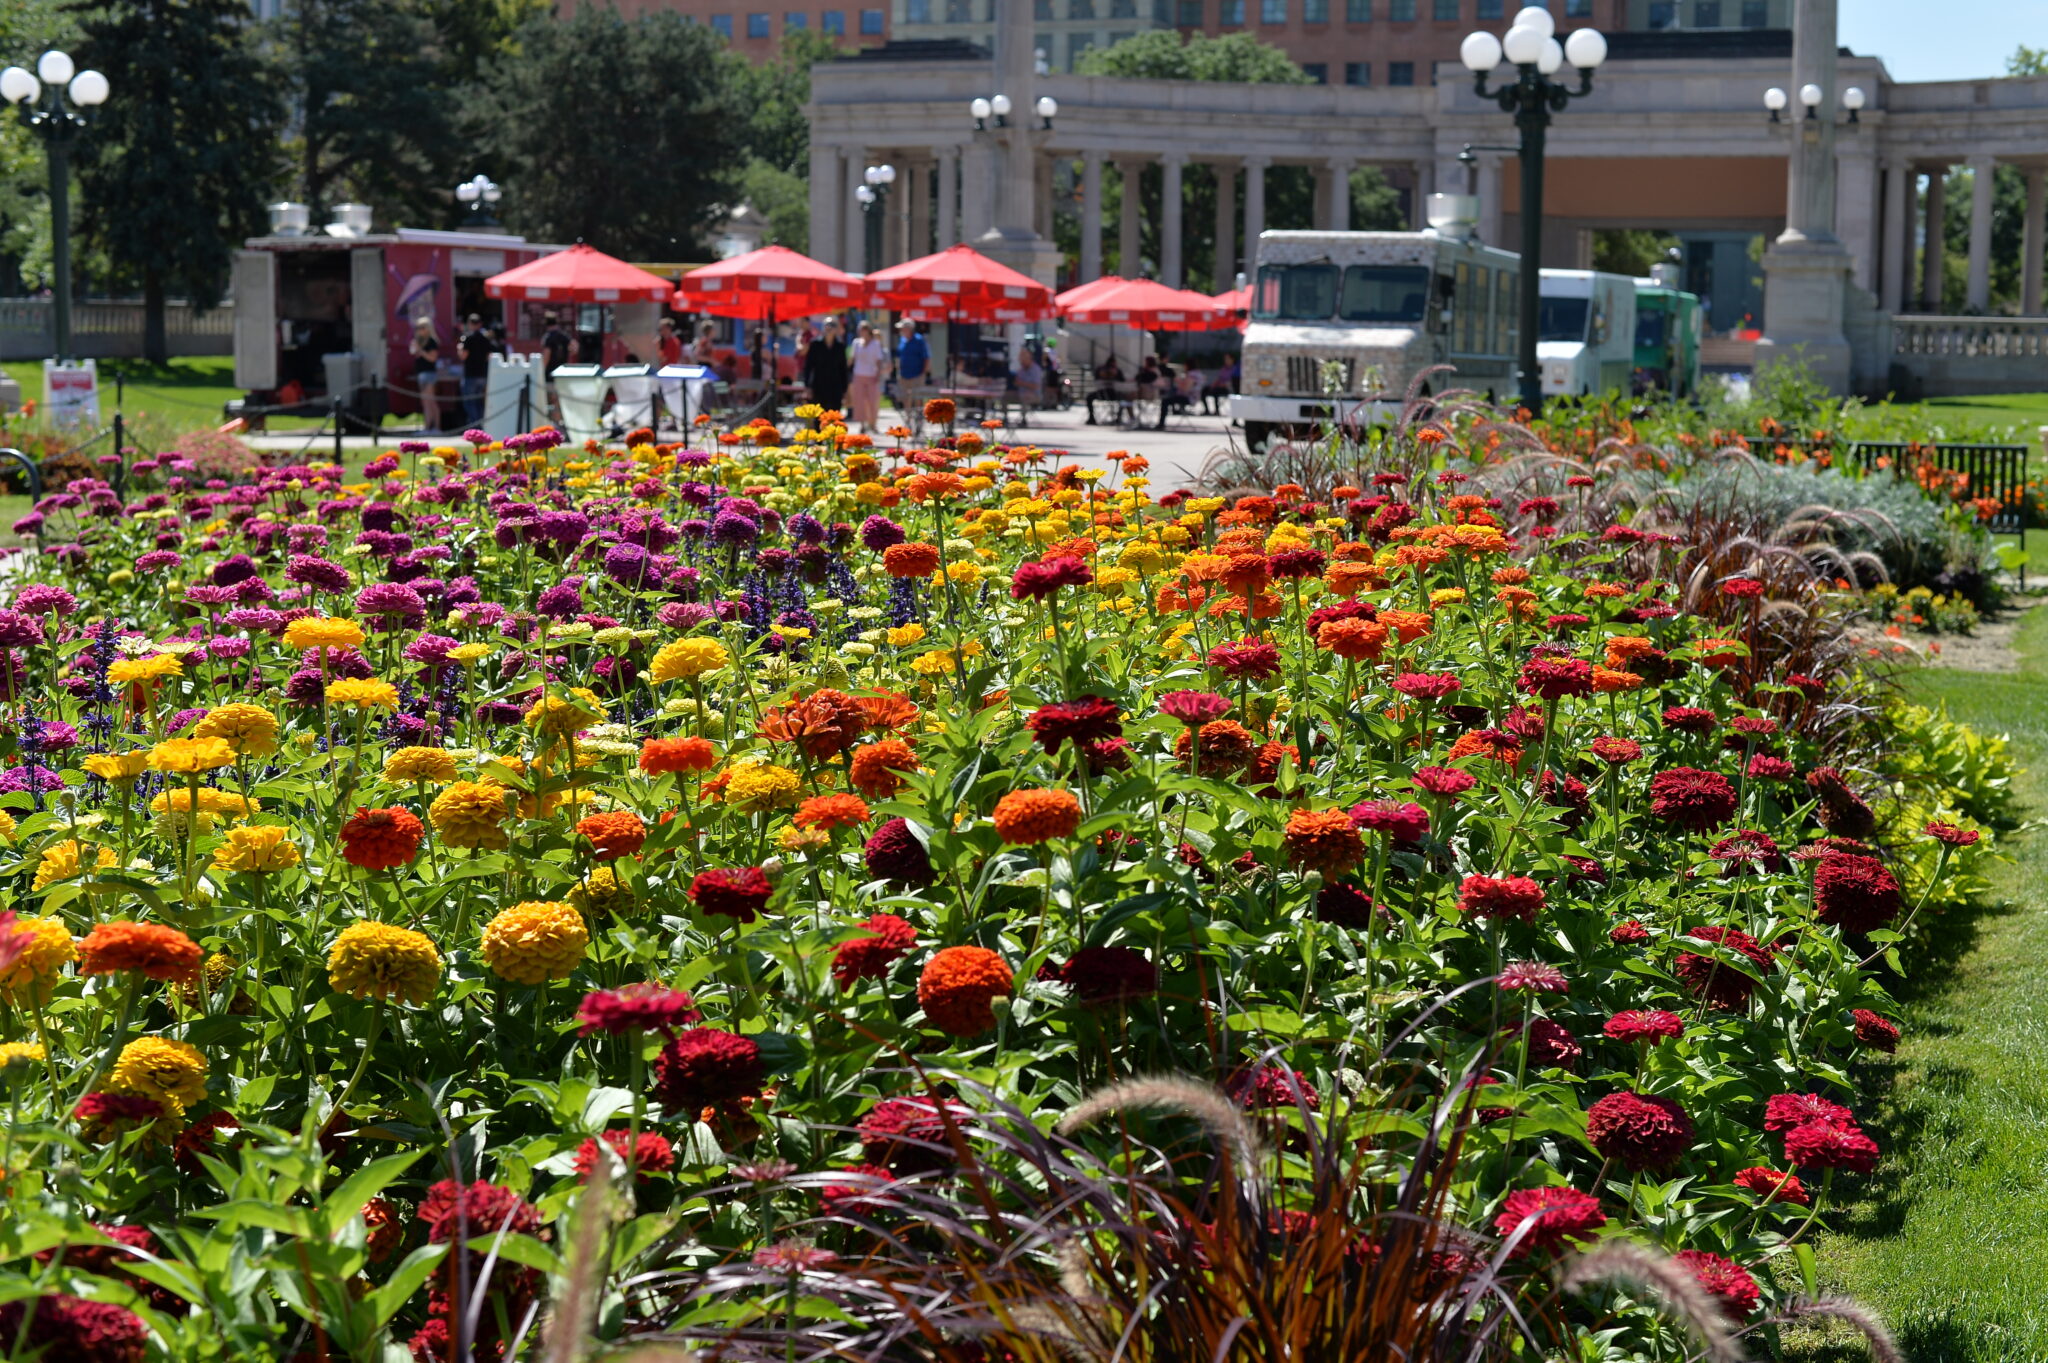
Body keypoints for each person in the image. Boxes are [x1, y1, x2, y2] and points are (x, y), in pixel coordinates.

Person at [802, 319, 851, 413]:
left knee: (834, 415)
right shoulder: (815, 344)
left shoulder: (840, 346)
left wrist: (845, 390)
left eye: (832, 325)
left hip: (835, 386)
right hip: (819, 385)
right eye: (827, 325)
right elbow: (808, 366)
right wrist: (807, 386)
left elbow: (843, 370)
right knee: (819, 416)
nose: (829, 328)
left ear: (836, 329)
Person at [848, 320, 886, 430]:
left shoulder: (875, 343)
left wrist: (878, 374)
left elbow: (879, 360)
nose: (861, 332)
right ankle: (862, 424)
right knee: (859, 400)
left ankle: (872, 423)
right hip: (858, 374)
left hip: (871, 375)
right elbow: (852, 359)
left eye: (863, 330)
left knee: (872, 400)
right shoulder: (856, 343)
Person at [458, 314, 493, 425]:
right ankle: (481, 425)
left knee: (470, 402)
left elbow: (463, 356)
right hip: (482, 374)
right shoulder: (485, 338)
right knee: (479, 402)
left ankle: (475, 426)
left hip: (471, 375)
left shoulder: (468, 338)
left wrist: (459, 348)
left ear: (469, 324)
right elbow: (489, 356)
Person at [409, 316, 442, 432]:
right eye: (418, 327)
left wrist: (421, 351)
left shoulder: (432, 342)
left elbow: (433, 358)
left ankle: (436, 427)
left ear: (428, 328)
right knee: (425, 402)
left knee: (431, 401)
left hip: (429, 374)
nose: (419, 330)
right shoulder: (420, 341)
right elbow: (413, 352)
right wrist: (416, 347)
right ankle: (427, 426)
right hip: (421, 373)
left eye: (422, 327)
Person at [894, 319, 930, 414]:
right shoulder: (902, 340)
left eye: (902, 328)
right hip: (904, 375)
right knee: (906, 397)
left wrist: (923, 373)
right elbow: (899, 356)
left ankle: (918, 419)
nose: (901, 330)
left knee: (917, 397)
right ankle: (908, 419)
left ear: (909, 329)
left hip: (917, 374)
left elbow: (926, 357)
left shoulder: (919, 340)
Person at [1015, 345, 1045, 410]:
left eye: (1023, 359)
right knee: (1006, 395)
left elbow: (1036, 386)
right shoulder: (1021, 369)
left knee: (1025, 396)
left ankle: (1023, 418)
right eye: (1021, 359)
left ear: (1029, 358)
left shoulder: (1036, 369)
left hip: (1034, 395)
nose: (1021, 361)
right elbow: (1016, 382)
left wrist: (1021, 383)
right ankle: (1004, 417)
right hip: (1021, 393)